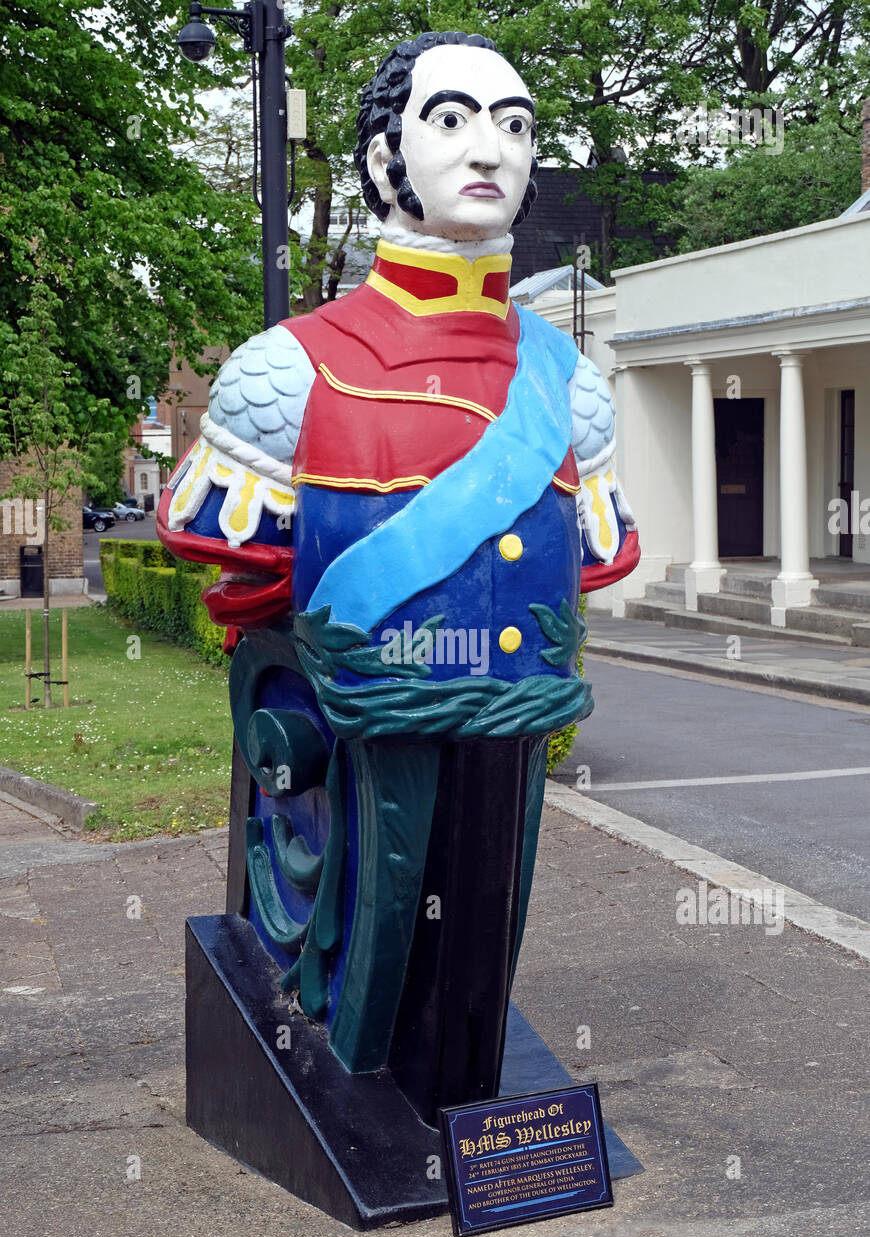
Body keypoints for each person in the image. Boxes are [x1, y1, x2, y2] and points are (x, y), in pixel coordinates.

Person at [157, 31, 639, 1106]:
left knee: (480, 946)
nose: (493, 150)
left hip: (512, 715)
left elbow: (593, 555)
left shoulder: (571, 386)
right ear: (383, 161)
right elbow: (239, 567)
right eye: (454, 118)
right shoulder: (286, 372)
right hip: (356, 726)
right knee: (366, 963)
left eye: (515, 127)